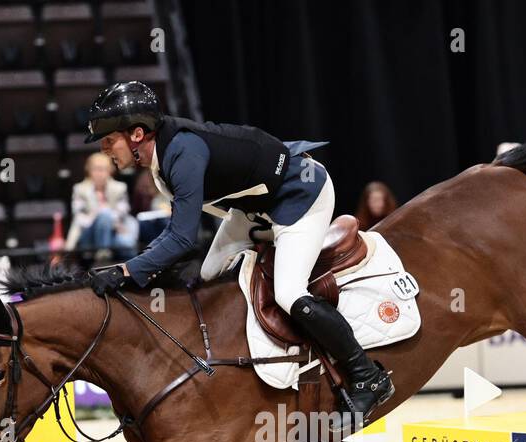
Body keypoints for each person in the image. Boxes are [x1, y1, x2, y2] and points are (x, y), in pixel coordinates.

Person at [83, 80, 393, 423]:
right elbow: (175, 235)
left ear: (137, 134)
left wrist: (126, 271)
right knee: (206, 276)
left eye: (109, 141)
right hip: (251, 208)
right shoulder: (161, 159)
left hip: (300, 196)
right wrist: (130, 268)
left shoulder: (183, 154)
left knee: (289, 293)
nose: (106, 151)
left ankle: (367, 375)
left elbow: (182, 240)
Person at [65, 151, 138, 260]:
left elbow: (123, 211)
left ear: (110, 171)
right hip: (89, 233)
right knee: (105, 213)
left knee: (126, 242)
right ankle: (103, 255)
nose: (100, 173)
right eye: (96, 169)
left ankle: (108, 256)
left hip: (113, 230)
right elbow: (79, 217)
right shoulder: (80, 189)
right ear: (89, 171)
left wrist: (106, 219)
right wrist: (98, 216)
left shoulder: (120, 188)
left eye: (103, 169)